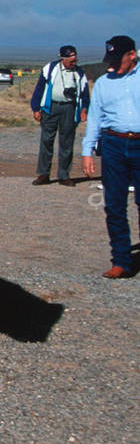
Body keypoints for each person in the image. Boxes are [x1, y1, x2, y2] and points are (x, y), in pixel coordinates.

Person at [81, 35, 140, 279]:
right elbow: (94, 118)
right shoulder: (104, 83)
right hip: (113, 144)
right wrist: (87, 151)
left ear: (132, 55)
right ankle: (121, 262)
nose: (112, 65)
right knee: (114, 206)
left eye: (118, 60)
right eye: (110, 60)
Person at [31, 45, 91, 185]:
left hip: (69, 109)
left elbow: (85, 94)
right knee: (46, 141)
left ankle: (64, 175)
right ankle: (43, 174)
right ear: (63, 58)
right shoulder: (50, 69)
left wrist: (84, 109)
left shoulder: (79, 73)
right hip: (50, 108)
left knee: (67, 142)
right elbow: (39, 89)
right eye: (71, 59)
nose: (74, 62)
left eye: (75, 59)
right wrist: (35, 108)